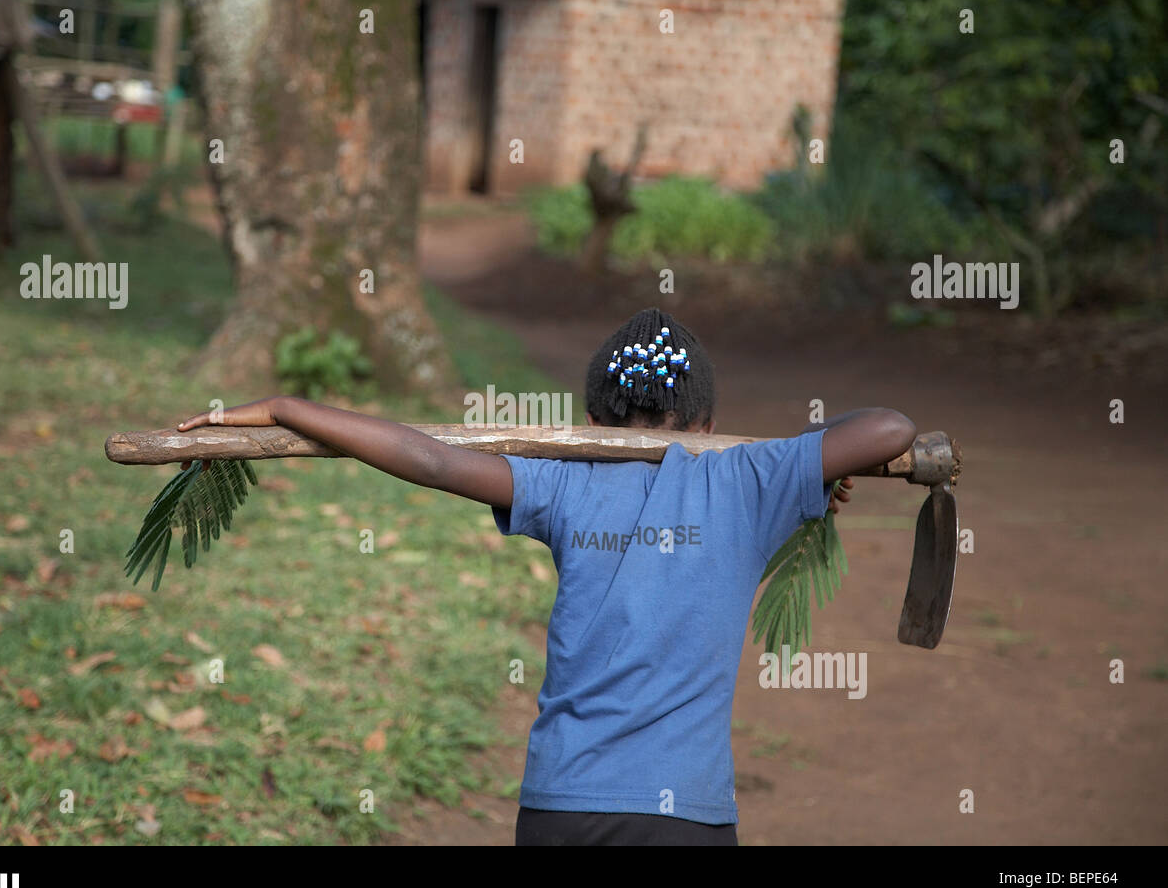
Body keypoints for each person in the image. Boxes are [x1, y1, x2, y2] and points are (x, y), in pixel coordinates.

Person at [175, 308, 916, 846]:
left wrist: (287, 407)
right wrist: (810, 458)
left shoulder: (563, 482)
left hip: (563, 806)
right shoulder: (751, 477)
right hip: (686, 816)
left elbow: (428, 457)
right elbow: (888, 429)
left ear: (592, 417)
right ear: (707, 421)